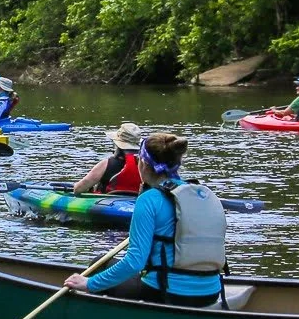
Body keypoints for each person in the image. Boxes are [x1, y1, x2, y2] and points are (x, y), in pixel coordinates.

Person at [63, 132, 226, 307]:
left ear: (144, 164)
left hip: (167, 293)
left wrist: (89, 284)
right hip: (212, 292)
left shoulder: (149, 199)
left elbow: (135, 262)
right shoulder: (201, 193)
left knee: (100, 263)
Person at [73, 122, 145, 195]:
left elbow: (78, 189)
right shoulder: (146, 164)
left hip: (106, 202)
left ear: (117, 145)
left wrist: (76, 187)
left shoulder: (106, 164)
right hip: (135, 201)